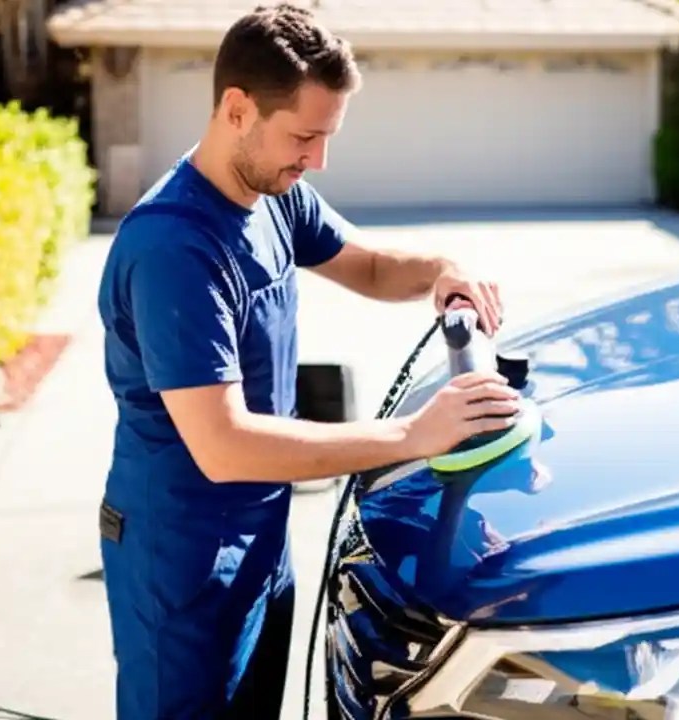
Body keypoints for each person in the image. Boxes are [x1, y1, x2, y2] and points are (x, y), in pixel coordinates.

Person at [93, 4, 521, 718]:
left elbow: (372, 267)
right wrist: (413, 436)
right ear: (237, 109)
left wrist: (441, 270)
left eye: (327, 136)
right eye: (304, 136)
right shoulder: (174, 248)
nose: (317, 160)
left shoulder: (274, 197)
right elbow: (224, 445)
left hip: (263, 536)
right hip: (180, 558)